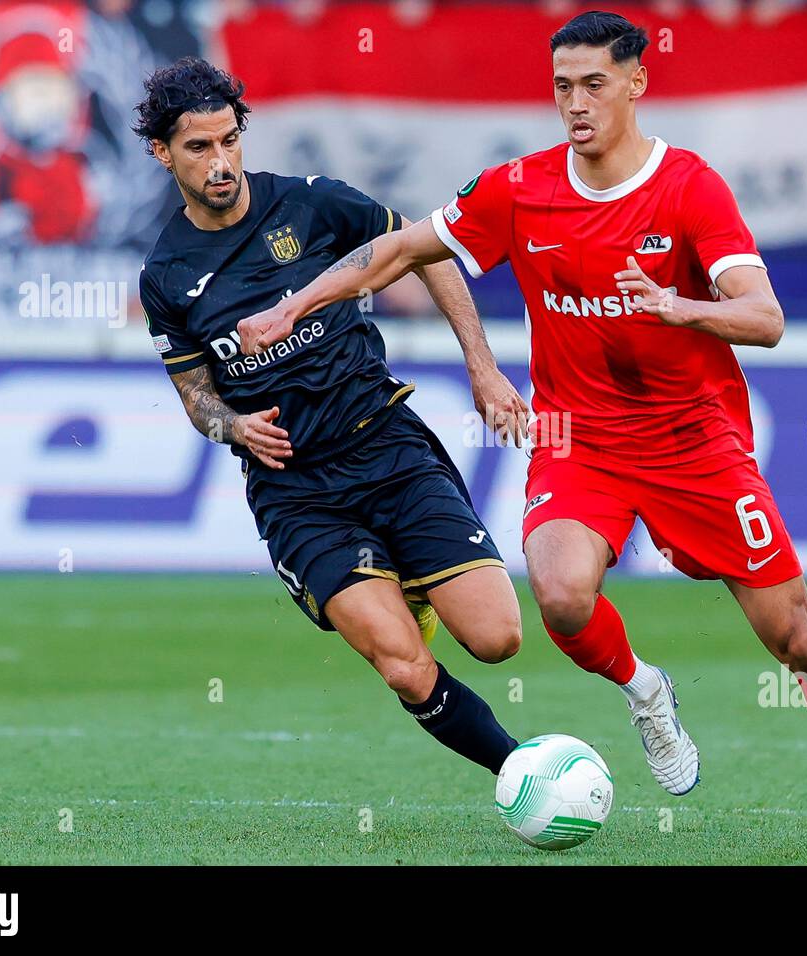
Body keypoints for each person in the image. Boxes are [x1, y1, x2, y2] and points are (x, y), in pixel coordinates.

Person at [236, 15, 807, 851]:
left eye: (593, 83)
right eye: (562, 86)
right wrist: (294, 303)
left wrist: (681, 306)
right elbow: (398, 249)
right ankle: (645, 692)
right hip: (581, 438)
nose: (575, 103)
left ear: (636, 82)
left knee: (800, 640)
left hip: (695, 441)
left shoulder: (689, 189)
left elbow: (767, 318)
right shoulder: (521, 188)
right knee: (560, 594)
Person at [132, 57, 528, 776]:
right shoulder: (165, 277)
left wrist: (481, 363)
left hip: (387, 448)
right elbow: (195, 395)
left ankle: (414, 584)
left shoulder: (310, 205)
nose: (220, 162)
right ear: (162, 153)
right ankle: (523, 770)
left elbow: (424, 246)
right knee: (406, 668)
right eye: (198, 147)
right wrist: (231, 425)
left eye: (229, 140)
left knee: (499, 638)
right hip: (297, 491)